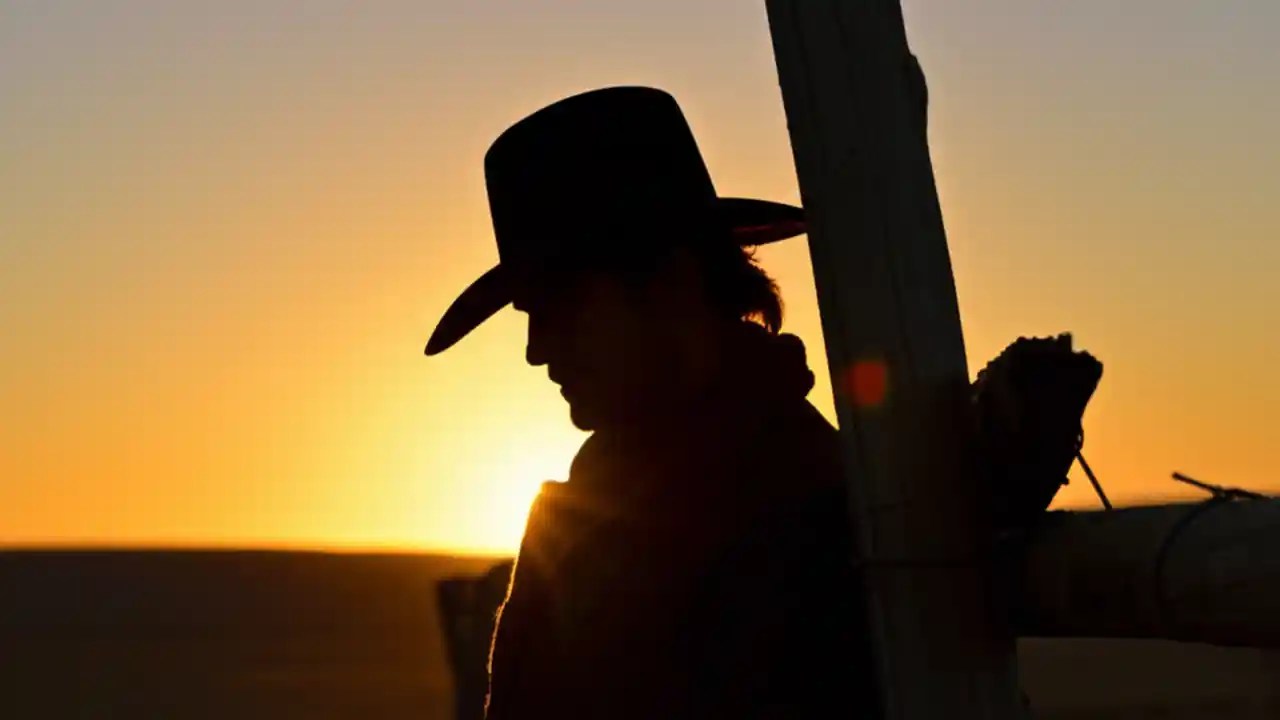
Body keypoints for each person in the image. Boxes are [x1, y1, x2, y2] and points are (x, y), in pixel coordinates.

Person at [425, 87, 876, 719]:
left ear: (670, 281)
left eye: (561, 308)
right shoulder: (579, 516)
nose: (535, 349)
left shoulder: (810, 504)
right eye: (531, 316)